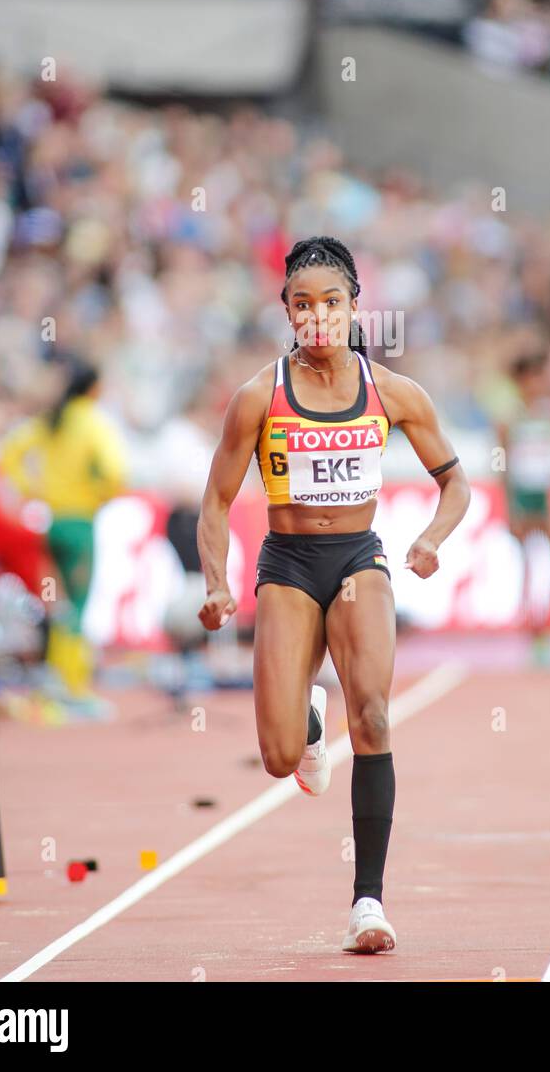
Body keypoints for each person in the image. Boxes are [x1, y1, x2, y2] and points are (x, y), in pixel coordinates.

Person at [197, 236, 470, 954]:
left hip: (358, 558)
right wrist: (216, 584)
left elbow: (457, 481)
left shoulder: (394, 393)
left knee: (376, 715)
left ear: (356, 305)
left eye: (332, 302)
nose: (318, 316)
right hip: (288, 564)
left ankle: (367, 903)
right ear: (286, 310)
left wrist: (433, 537)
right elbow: (216, 502)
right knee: (281, 757)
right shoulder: (260, 396)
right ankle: (310, 725)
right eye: (303, 304)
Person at [0, 360, 128, 700]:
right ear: (94, 388)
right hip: (80, 523)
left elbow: (9, 453)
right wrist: (99, 496)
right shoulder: (93, 421)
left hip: (51, 522)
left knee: (58, 604)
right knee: (78, 606)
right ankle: (74, 687)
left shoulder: (51, 419)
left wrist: (33, 489)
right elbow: (115, 471)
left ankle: (55, 681)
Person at [498, 347, 550, 668]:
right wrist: (511, 509)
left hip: (545, 498)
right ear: (522, 381)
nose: (539, 383)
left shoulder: (548, 413)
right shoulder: (510, 418)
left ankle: (545, 628)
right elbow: (503, 467)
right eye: (534, 377)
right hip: (523, 498)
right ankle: (534, 636)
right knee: (530, 569)